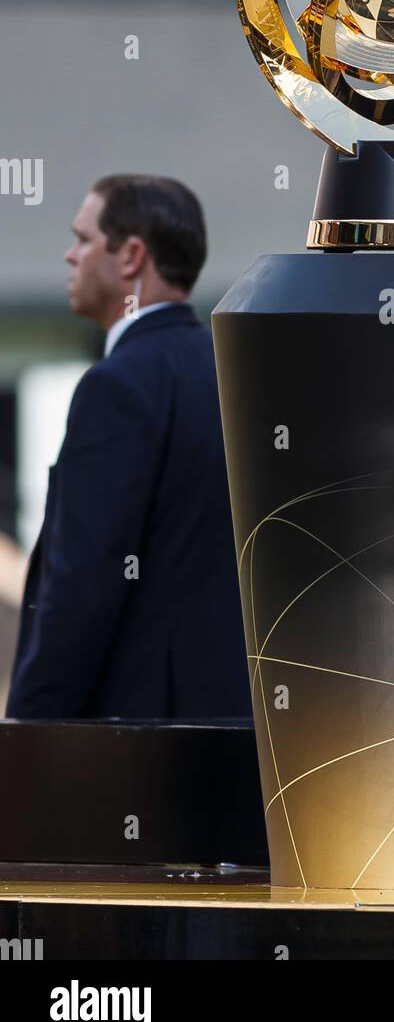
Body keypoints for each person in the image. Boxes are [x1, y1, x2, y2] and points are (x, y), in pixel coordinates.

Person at [6, 174, 251, 720]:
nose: (70, 256)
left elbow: (85, 581)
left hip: (134, 741)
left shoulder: (117, 384)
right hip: (238, 725)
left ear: (131, 256)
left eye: (84, 239)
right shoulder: (238, 376)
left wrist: (29, 725)